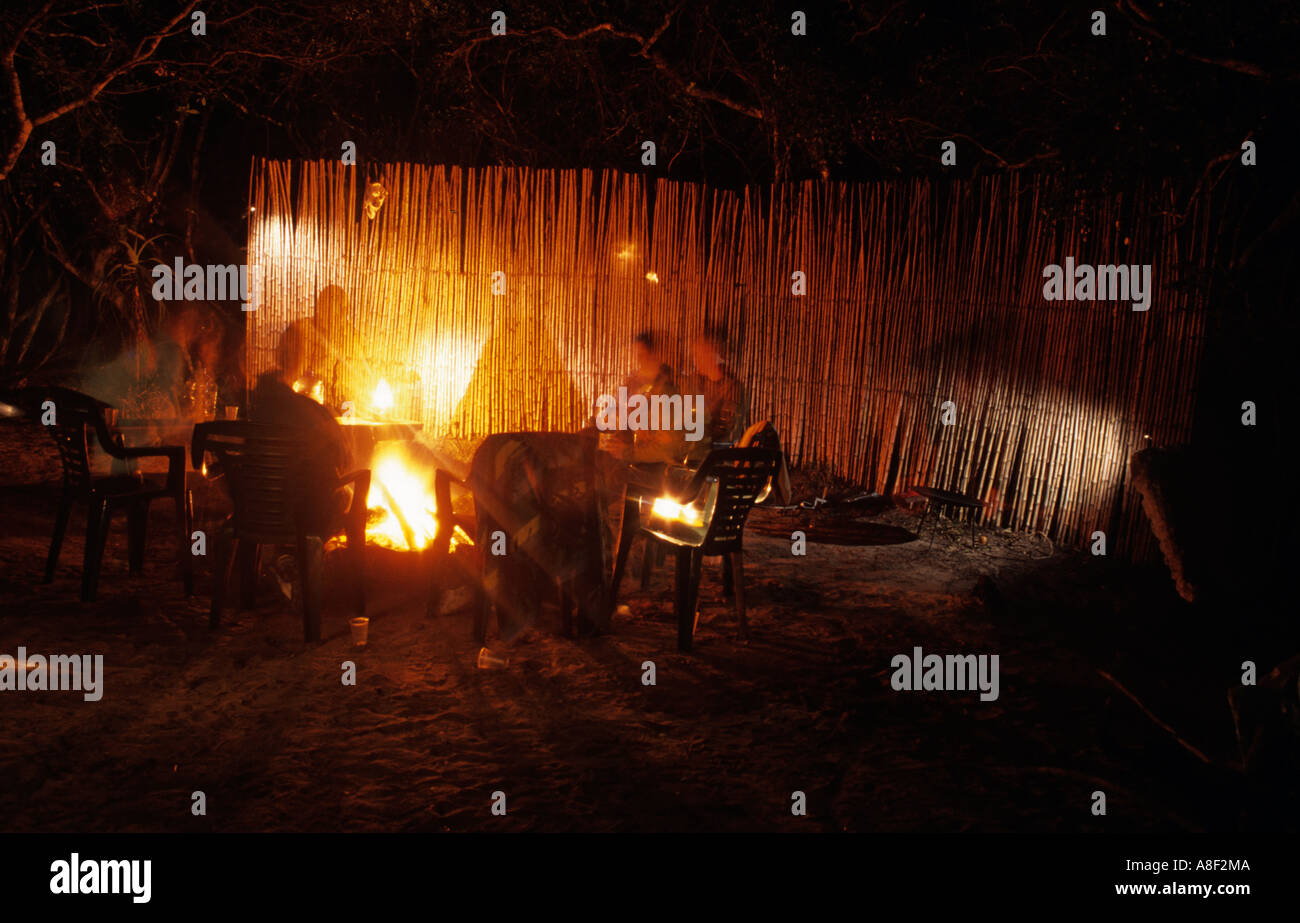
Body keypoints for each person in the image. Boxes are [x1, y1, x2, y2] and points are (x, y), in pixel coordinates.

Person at [249, 322, 354, 537]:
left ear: (278, 353)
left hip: (254, 502)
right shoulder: (308, 411)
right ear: (303, 357)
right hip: (300, 510)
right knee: (346, 494)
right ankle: (316, 560)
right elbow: (343, 458)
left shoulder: (258, 401)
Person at [687, 328, 748, 465]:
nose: (695, 360)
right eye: (695, 355)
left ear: (713, 353)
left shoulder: (732, 388)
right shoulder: (696, 381)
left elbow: (726, 428)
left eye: (699, 354)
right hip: (693, 450)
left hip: (717, 456)